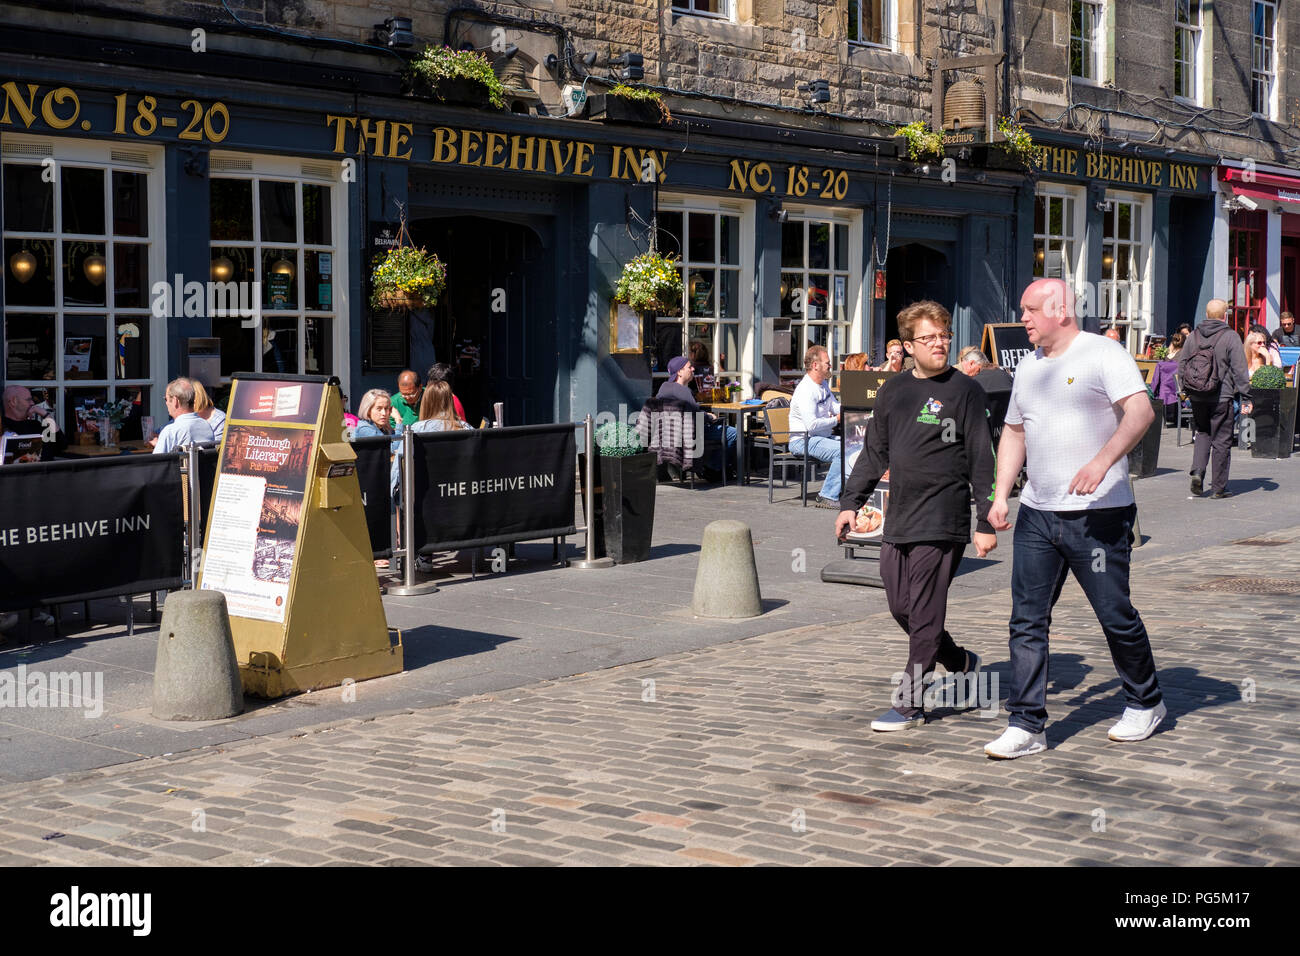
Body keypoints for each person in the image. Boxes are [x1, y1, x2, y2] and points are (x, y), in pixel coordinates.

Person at [984, 277, 1166, 759]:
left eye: (1029, 309)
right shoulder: (1027, 368)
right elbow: (1014, 433)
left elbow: (1141, 412)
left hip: (1098, 516)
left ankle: (1145, 701)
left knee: (1114, 614)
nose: (1021, 318)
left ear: (1060, 309)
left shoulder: (1103, 354)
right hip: (1038, 514)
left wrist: (1101, 461)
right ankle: (1027, 725)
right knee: (1026, 620)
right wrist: (1002, 495)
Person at [835, 301, 997, 732]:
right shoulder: (893, 391)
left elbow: (983, 457)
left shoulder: (966, 391)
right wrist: (851, 503)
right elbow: (874, 453)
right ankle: (959, 660)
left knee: (925, 610)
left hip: (943, 517)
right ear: (908, 346)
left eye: (944, 335)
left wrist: (985, 521)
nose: (940, 343)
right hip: (899, 516)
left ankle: (909, 703)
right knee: (900, 605)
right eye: (930, 338)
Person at [1180, 300, 1253, 498]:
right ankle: (1219, 488)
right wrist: (1246, 396)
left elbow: (1183, 364)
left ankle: (1197, 472)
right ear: (1225, 315)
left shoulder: (1193, 335)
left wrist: (1185, 391)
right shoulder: (1230, 336)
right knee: (1221, 440)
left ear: (1206, 313)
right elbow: (1240, 369)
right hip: (1222, 396)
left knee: (1202, 433)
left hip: (1197, 395)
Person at [657, 355, 737, 476]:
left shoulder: (663, 388)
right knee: (733, 433)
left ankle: (711, 467)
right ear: (679, 372)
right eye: (689, 367)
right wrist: (710, 417)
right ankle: (713, 468)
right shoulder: (682, 391)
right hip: (689, 434)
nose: (693, 369)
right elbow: (696, 415)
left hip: (671, 434)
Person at [788, 345, 843, 508]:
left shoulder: (823, 384)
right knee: (843, 451)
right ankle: (827, 495)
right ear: (815, 365)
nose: (830, 366)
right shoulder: (806, 390)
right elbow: (811, 426)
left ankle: (846, 491)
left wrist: (856, 409)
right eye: (827, 363)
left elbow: (835, 407)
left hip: (821, 437)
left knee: (855, 445)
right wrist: (837, 420)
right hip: (803, 439)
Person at [956, 345, 1014, 442]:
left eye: (963, 367)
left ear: (971, 363)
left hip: (983, 438)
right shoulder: (1006, 376)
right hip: (1009, 434)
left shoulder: (973, 384)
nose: (964, 372)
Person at [151, 378, 215, 453]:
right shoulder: (206, 425)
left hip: (180, 465)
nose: (166, 403)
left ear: (175, 401)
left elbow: (158, 463)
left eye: (166, 399)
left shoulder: (170, 431)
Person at [2, 385, 65, 460]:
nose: (32, 403)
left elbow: (62, 445)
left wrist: (45, 414)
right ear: (13, 402)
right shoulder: (2, 426)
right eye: (28, 400)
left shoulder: (35, 425)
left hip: (45, 470)